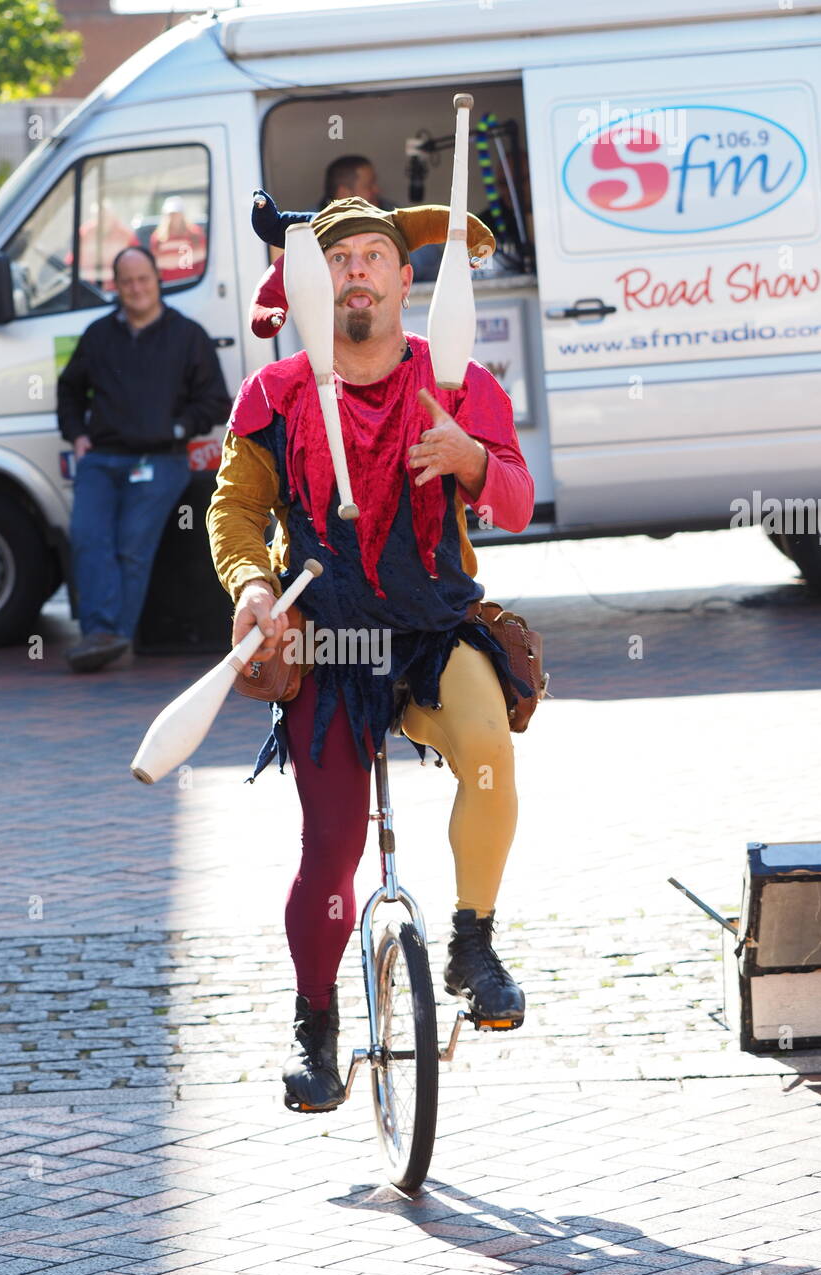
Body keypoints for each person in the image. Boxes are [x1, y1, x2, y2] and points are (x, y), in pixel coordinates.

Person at [206, 196, 535, 1113]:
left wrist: (471, 459)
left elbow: (513, 499)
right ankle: (315, 1023)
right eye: (337, 258)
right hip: (328, 641)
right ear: (317, 281)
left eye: (372, 257)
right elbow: (232, 514)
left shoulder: (457, 378)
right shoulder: (274, 395)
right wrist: (252, 587)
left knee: (486, 753)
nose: (355, 270)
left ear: (402, 277)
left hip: (433, 630)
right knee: (331, 850)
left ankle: (473, 943)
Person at [58, 245, 231, 672]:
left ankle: (114, 635)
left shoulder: (187, 335)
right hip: (101, 458)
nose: (136, 289)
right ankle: (101, 634)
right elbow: (68, 390)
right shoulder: (98, 334)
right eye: (127, 281)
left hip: (161, 461)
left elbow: (215, 402)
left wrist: (174, 428)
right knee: (88, 538)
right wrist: (77, 435)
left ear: (158, 281)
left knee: (131, 544)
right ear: (116, 287)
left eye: (143, 280)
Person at [150, 196, 207, 284]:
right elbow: (155, 263)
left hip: (193, 283)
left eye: (177, 213)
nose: (174, 217)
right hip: (169, 285)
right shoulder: (158, 237)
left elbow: (204, 255)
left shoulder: (195, 234)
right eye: (171, 214)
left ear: (182, 214)